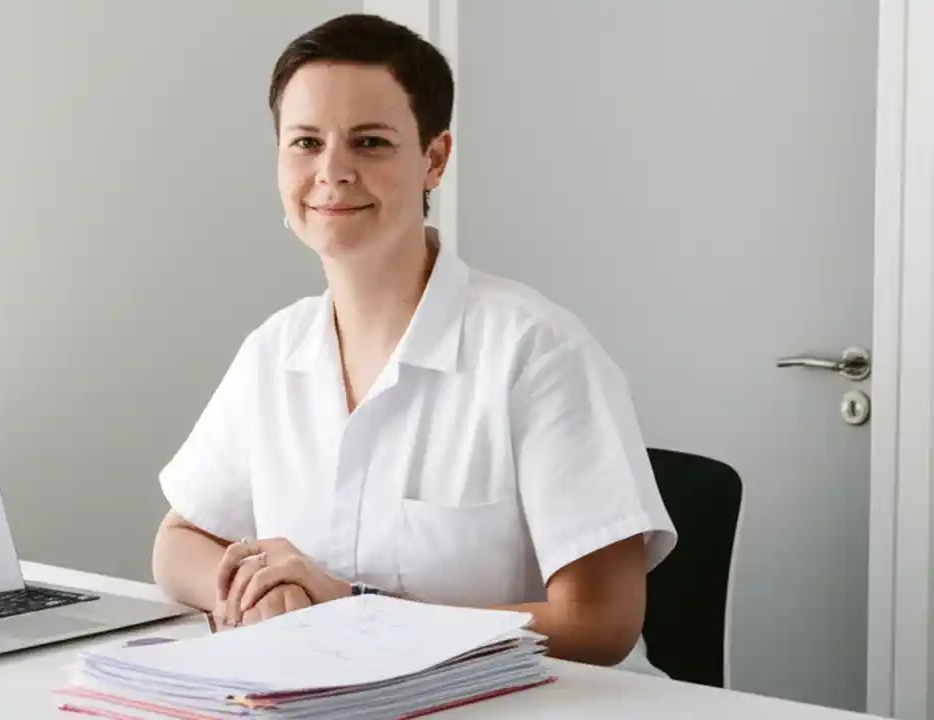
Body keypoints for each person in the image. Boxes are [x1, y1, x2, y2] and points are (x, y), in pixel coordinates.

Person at [150, 13, 677, 674]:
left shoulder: (536, 350)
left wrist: (353, 606)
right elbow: (178, 542)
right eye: (305, 142)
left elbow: (600, 624)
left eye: (369, 142)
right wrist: (270, 592)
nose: (332, 171)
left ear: (434, 159)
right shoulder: (274, 349)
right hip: (335, 691)